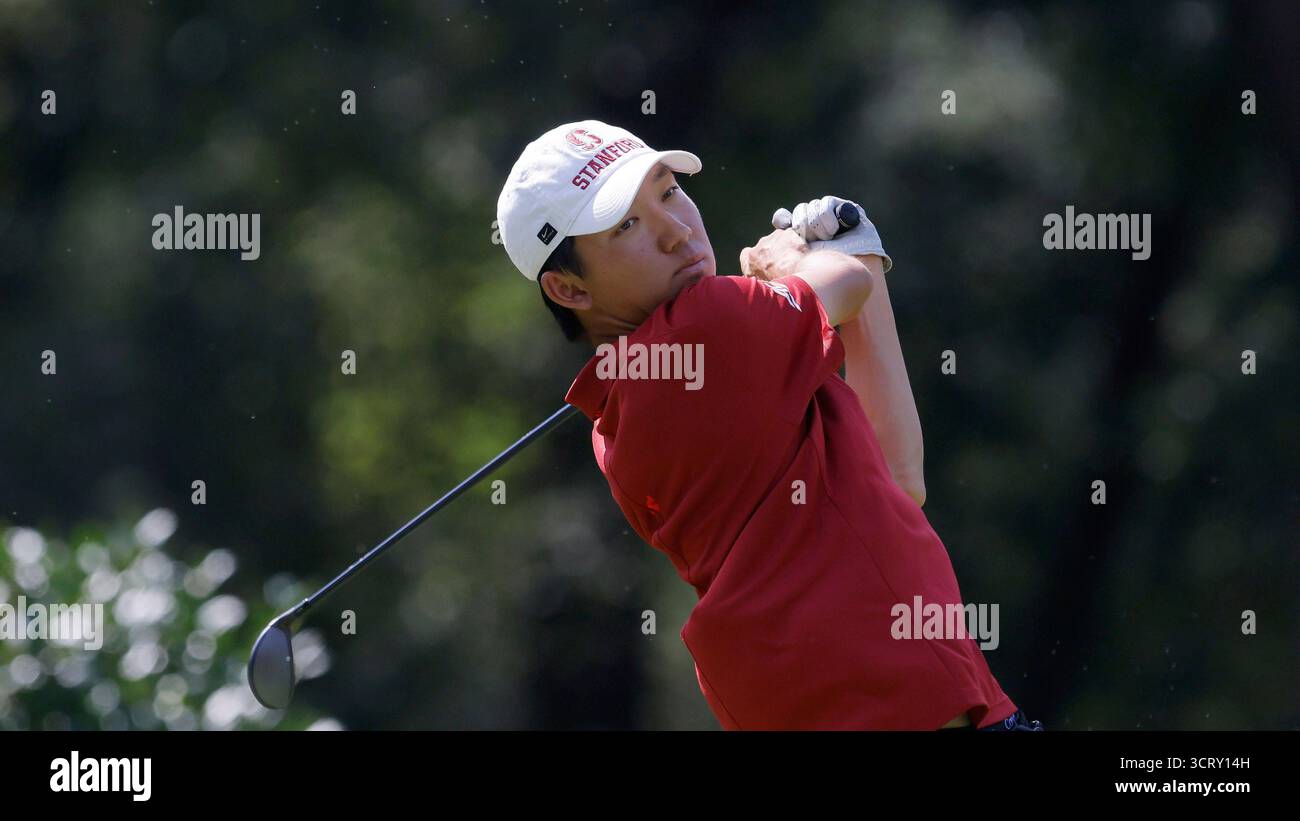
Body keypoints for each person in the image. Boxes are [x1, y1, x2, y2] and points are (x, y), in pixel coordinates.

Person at [496, 119, 1041, 730]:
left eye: (669, 191)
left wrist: (857, 255)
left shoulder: (616, 419)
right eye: (627, 225)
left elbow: (898, 478)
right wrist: (799, 259)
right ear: (568, 288)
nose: (677, 233)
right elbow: (844, 282)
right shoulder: (706, 323)